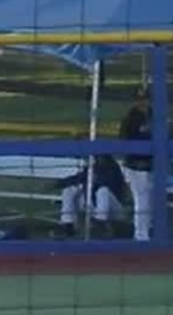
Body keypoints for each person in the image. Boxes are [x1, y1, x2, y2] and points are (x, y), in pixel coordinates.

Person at [55, 154, 126, 238]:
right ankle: (67, 224)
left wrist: (92, 180)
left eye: (101, 156)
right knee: (69, 190)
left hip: (113, 209)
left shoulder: (114, 169)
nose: (99, 158)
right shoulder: (92, 168)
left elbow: (107, 184)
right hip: (92, 204)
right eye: (97, 156)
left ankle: (101, 225)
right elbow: (77, 178)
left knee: (103, 191)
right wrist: (57, 183)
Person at [118, 86, 153, 240]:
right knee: (142, 201)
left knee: (151, 201)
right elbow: (123, 142)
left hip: (152, 165)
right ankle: (140, 236)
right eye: (139, 99)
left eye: (145, 98)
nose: (143, 102)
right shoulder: (131, 118)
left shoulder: (155, 115)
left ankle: (149, 231)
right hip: (135, 166)